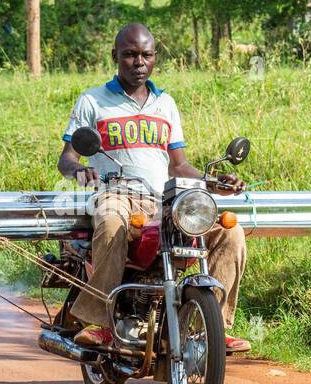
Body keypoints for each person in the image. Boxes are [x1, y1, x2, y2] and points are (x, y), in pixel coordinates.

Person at [57, 22, 251, 353]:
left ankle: (215, 326)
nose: (138, 62)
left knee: (229, 232)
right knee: (111, 221)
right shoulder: (93, 100)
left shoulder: (166, 104)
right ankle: (101, 323)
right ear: (115, 55)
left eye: (146, 55)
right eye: (130, 55)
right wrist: (80, 172)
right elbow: (66, 159)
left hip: (162, 201)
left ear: (155, 58)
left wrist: (214, 183)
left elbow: (179, 165)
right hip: (115, 195)